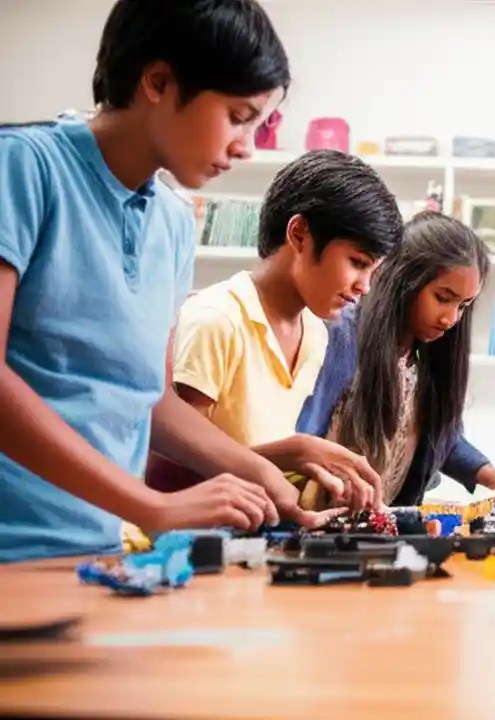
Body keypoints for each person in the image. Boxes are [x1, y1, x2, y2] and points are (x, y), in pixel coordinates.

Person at [0, 0, 339, 563]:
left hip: (92, 551)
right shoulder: (23, 168)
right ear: (158, 82)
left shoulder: (174, 222)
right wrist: (150, 505)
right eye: (238, 116)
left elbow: (153, 401)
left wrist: (259, 472)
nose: (246, 146)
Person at [147, 150, 404, 511]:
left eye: (373, 271)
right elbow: (171, 467)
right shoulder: (217, 319)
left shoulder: (314, 333)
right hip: (187, 532)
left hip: (253, 528)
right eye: (357, 263)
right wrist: (295, 452)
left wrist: (316, 473)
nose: (365, 286)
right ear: (299, 235)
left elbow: (259, 454)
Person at [296, 212, 495, 508]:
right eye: (443, 298)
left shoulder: (423, 361)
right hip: (307, 523)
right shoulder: (339, 335)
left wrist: (494, 478)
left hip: (378, 528)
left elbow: (442, 437)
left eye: (463, 306)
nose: (450, 319)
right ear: (405, 281)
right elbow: (300, 437)